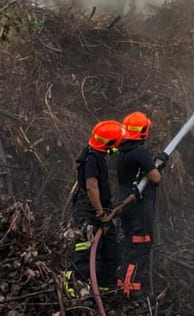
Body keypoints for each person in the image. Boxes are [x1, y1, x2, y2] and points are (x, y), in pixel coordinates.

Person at [64, 120, 124, 299]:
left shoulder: (99, 154)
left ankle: (104, 284)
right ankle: (75, 285)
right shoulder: (91, 158)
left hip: (100, 210)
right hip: (89, 211)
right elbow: (91, 187)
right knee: (85, 249)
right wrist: (99, 213)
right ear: (109, 143)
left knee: (110, 246)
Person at [115, 111, 169, 300]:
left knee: (131, 244)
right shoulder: (140, 153)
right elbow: (155, 177)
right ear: (144, 131)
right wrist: (157, 166)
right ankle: (130, 289)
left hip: (126, 203)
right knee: (141, 245)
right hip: (138, 208)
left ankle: (122, 284)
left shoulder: (123, 152)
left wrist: (153, 164)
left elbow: (140, 174)